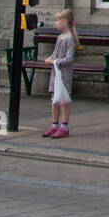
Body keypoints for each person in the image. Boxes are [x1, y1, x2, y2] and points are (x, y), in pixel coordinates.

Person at [42, 8, 77, 139]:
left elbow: (69, 58)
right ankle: (54, 124)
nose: (56, 23)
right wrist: (50, 59)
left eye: (58, 20)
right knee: (54, 99)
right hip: (56, 72)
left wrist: (55, 62)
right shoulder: (59, 38)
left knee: (64, 100)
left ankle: (64, 126)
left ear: (65, 21)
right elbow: (55, 53)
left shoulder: (69, 39)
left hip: (64, 73)